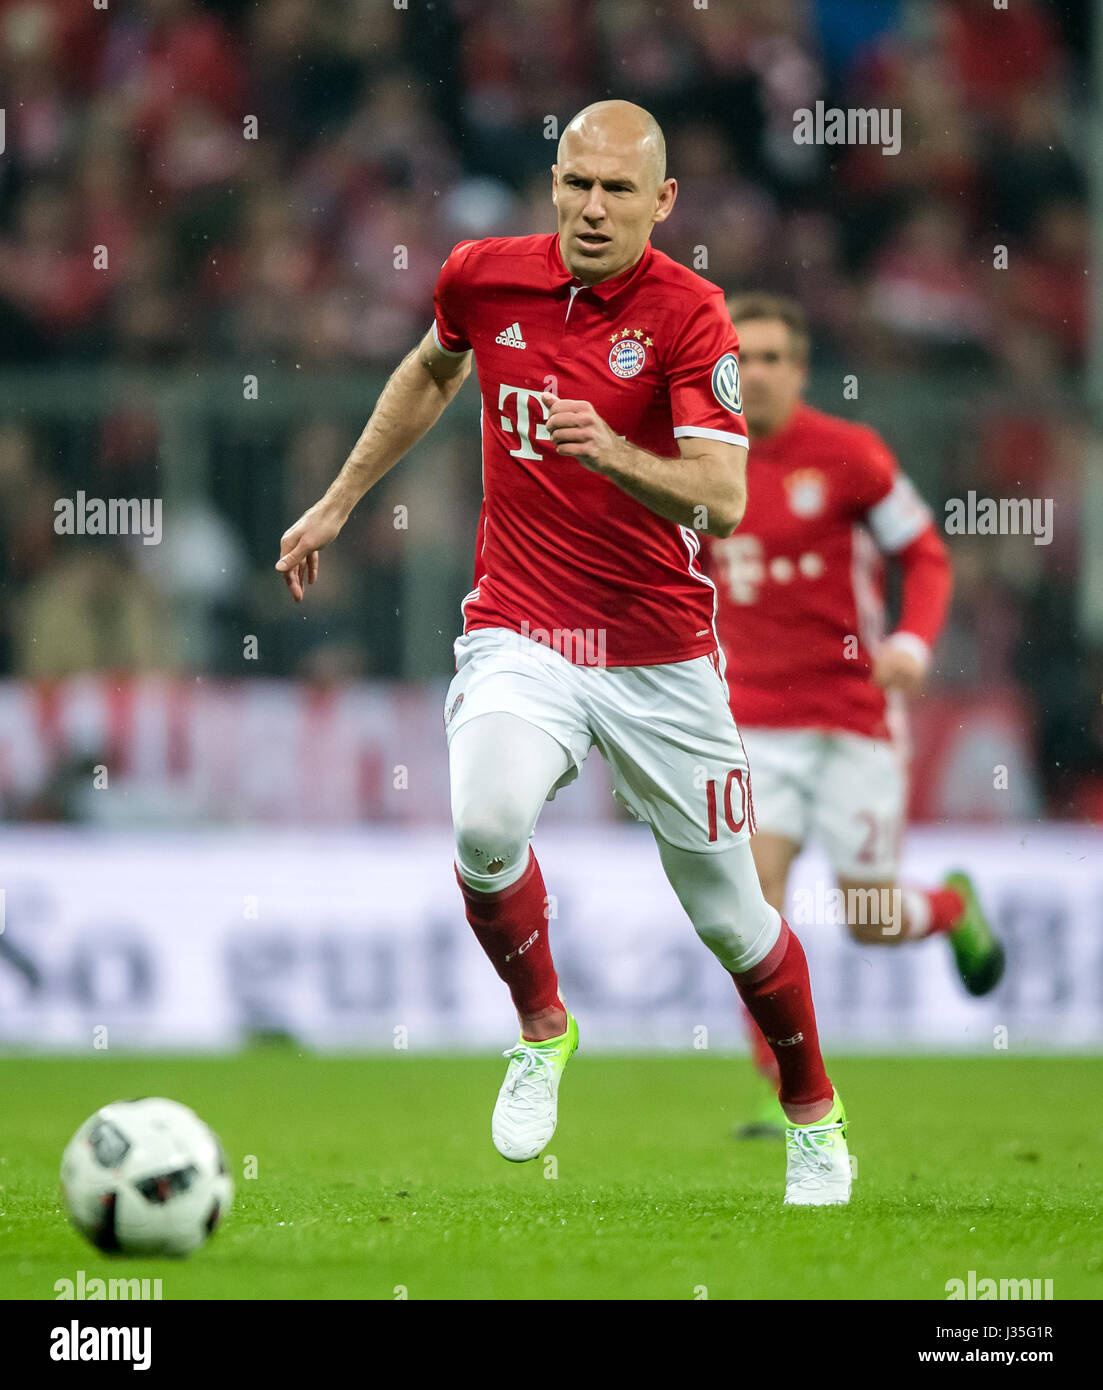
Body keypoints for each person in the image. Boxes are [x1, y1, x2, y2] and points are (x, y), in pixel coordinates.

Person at [276, 103, 851, 1204]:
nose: (593, 207)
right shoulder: (483, 276)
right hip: (522, 627)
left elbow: (723, 499)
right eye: (575, 184)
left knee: (735, 921)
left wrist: (617, 452)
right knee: (485, 825)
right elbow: (432, 371)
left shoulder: (692, 316)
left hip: (658, 655)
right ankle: (542, 1028)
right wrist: (340, 499)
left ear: (662, 201)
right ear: (552, 182)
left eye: (618, 191)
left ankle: (812, 1118)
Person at [702, 293, 1004, 1139]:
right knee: (750, 906)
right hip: (752, 722)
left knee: (869, 919)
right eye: (741, 357)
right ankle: (784, 1086)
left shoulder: (849, 456)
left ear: (798, 370)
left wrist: (912, 640)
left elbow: (924, 552)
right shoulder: (699, 460)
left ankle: (948, 909)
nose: (754, 373)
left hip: (854, 717)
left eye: (771, 358)